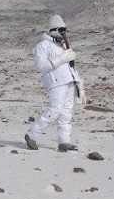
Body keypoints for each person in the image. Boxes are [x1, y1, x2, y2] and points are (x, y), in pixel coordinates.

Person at [24, 15, 82, 152]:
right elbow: (41, 66)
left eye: (64, 29)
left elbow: (71, 67)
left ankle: (64, 141)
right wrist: (61, 58)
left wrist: (80, 85)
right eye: (61, 29)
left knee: (66, 113)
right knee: (54, 110)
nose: (63, 32)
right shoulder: (43, 45)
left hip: (69, 81)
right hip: (56, 82)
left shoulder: (62, 46)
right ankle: (31, 135)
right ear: (53, 29)